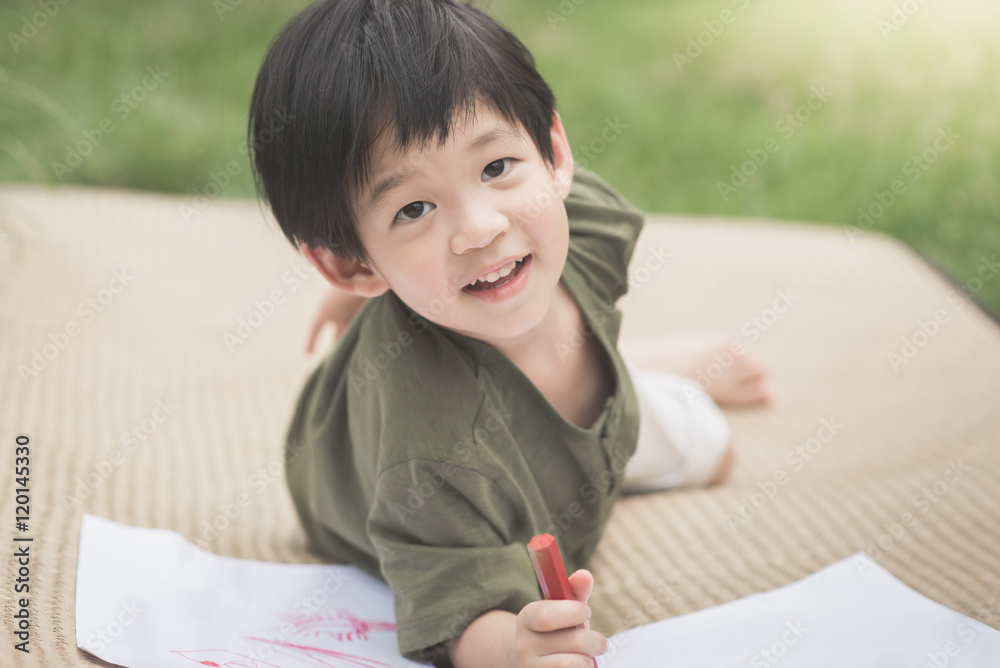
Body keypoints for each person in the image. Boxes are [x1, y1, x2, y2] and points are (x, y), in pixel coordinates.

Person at [248, 1, 769, 666]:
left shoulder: (585, 229)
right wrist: (514, 647)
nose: (481, 228)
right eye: (414, 208)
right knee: (502, 569)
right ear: (354, 264)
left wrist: (386, 261)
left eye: (495, 168)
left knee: (715, 449)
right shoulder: (427, 456)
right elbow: (454, 612)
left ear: (554, 153)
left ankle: (625, 365)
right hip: (423, 480)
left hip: (537, 409)